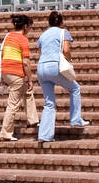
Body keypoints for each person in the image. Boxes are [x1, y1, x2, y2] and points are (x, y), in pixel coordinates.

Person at [36, 10, 89, 143]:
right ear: (61, 22)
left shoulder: (42, 35)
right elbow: (66, 50)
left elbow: (40, 53)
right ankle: (75, 119)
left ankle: (44, 135)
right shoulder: (63, 32)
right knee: (75, 89)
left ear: (48, 22)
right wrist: (70, 61)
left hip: (41, 69)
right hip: (55, 67)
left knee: (49, 103)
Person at [0, 13, 39, 142]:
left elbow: (3, 54)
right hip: (16, 73)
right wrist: (31, 79)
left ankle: (33, 120)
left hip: (6, 71)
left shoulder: (8, 37)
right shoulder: (23, 39)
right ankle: (5, 133)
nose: (30, 30)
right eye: (30, 27)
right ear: (25, 26)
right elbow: (26, 62)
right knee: (13, 105)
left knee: (27, 90)